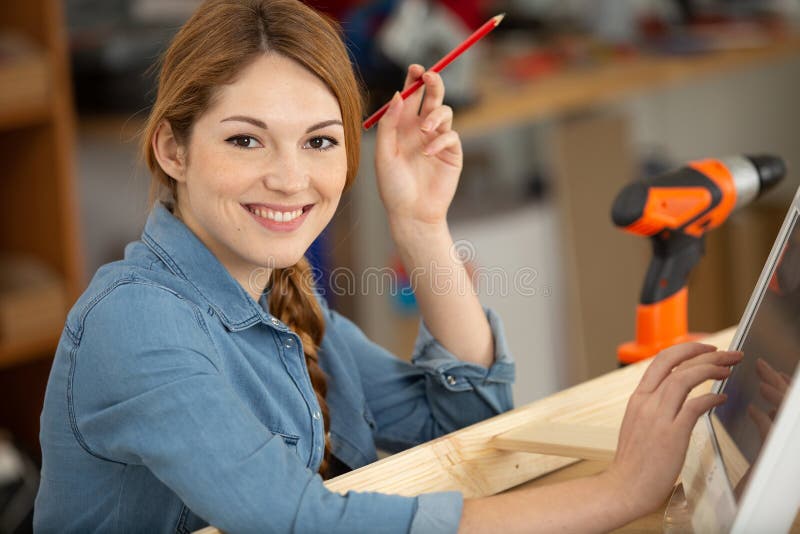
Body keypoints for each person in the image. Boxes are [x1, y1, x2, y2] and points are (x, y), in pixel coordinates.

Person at [33, 0, 742, 532]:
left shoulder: (280, 298)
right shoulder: (138, 322)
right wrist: (621, 491)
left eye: (318, 141)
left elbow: (461, 420)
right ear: (173, 150)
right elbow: (299, 524)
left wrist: (421, 225)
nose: (290, 178)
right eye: (247, 140)